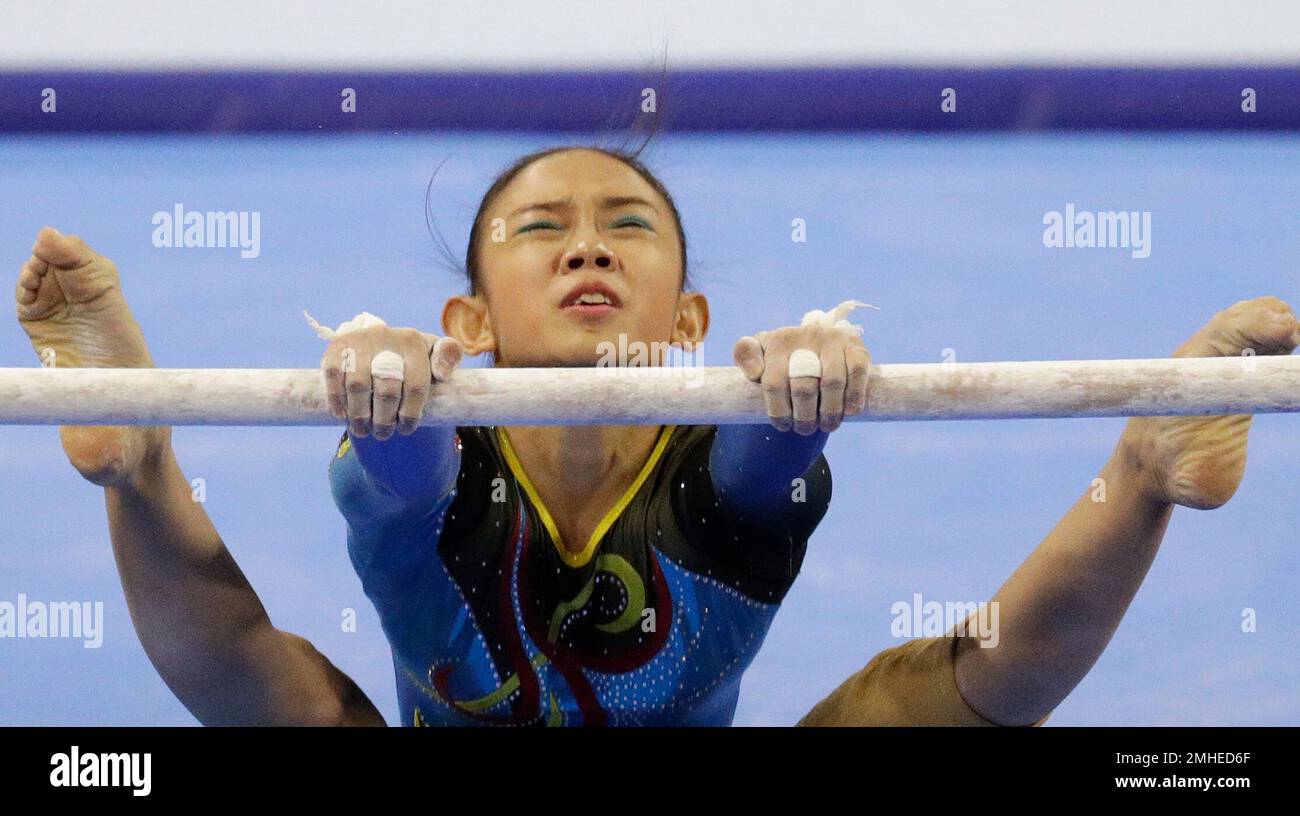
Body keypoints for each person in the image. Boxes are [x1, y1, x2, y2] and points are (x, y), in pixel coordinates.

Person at [15, 145, 1299, 726]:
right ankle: (138, 460)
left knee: (931, 694)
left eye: (626, 225)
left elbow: (757, 472)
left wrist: (804, 393)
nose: (585, 241)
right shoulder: (423, 452)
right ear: (466, 317)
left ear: (687, 316)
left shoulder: (725, 443)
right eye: (541, 228)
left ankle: (1141, 469)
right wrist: (385, 385)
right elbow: (407, 486)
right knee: (272, 683)